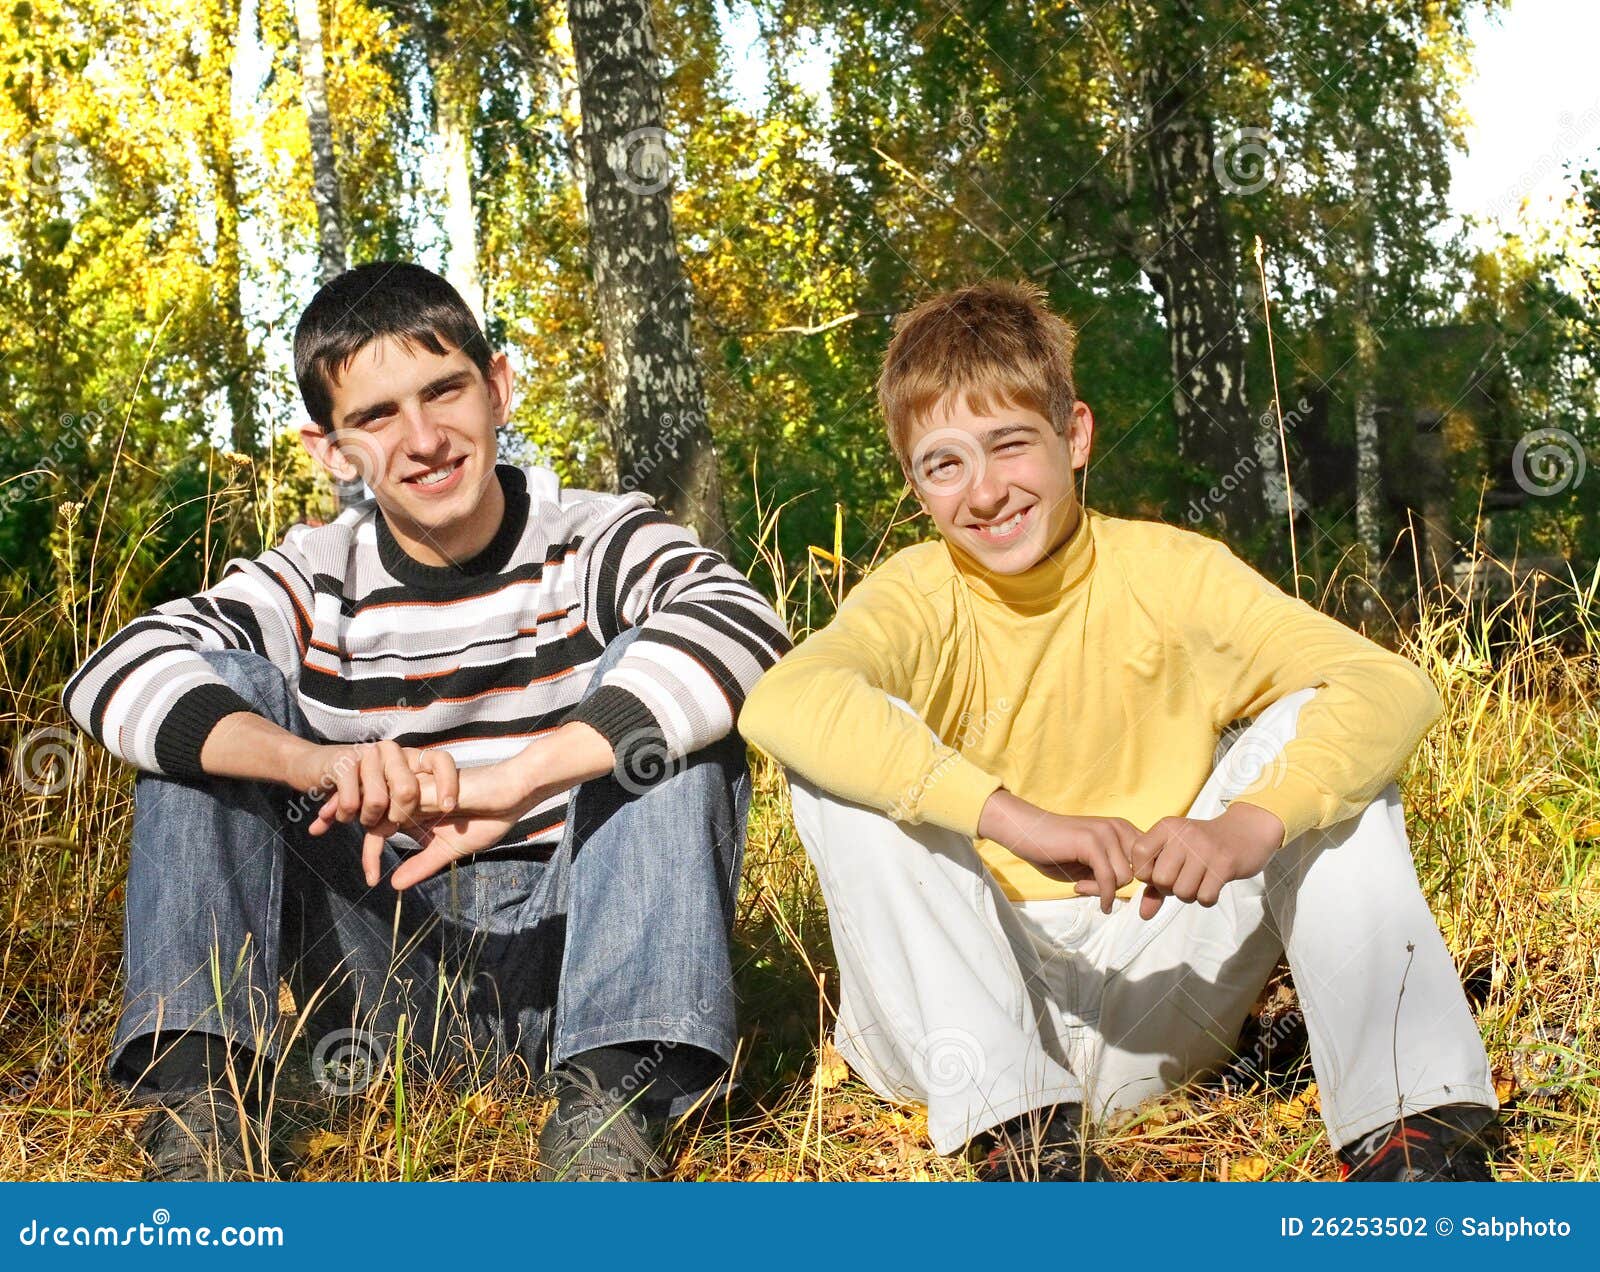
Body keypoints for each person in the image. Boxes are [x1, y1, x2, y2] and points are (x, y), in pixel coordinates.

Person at [737, 280, 1502, 1182]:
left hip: (1154, 984)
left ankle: (1418, 1129)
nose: (984, 493)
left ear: (1077, 437)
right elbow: (780, 702)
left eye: (1010, 445)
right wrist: (1020, 821)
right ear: (915, 482)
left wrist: (1250, 823)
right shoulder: (914, 592)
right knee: (843, 752)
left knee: (1319, 722)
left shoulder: (1171, 573)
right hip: (952, 1022)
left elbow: (1389, 685)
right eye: (944, 465)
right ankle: (1027, 1151)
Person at [64, 262, 790, 1182]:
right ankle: (203, 1122)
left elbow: (740, 620)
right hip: (375, 978)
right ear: (332, 452)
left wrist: (521, 779)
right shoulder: (311, 576)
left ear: (498, 389)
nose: (423, 439)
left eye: (445, 391)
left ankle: (612, 1117)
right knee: (213, 692)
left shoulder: (595, 538)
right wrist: (310, 763)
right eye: (374, 417)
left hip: (580, 965)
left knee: (673, 714)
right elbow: (113, 673)